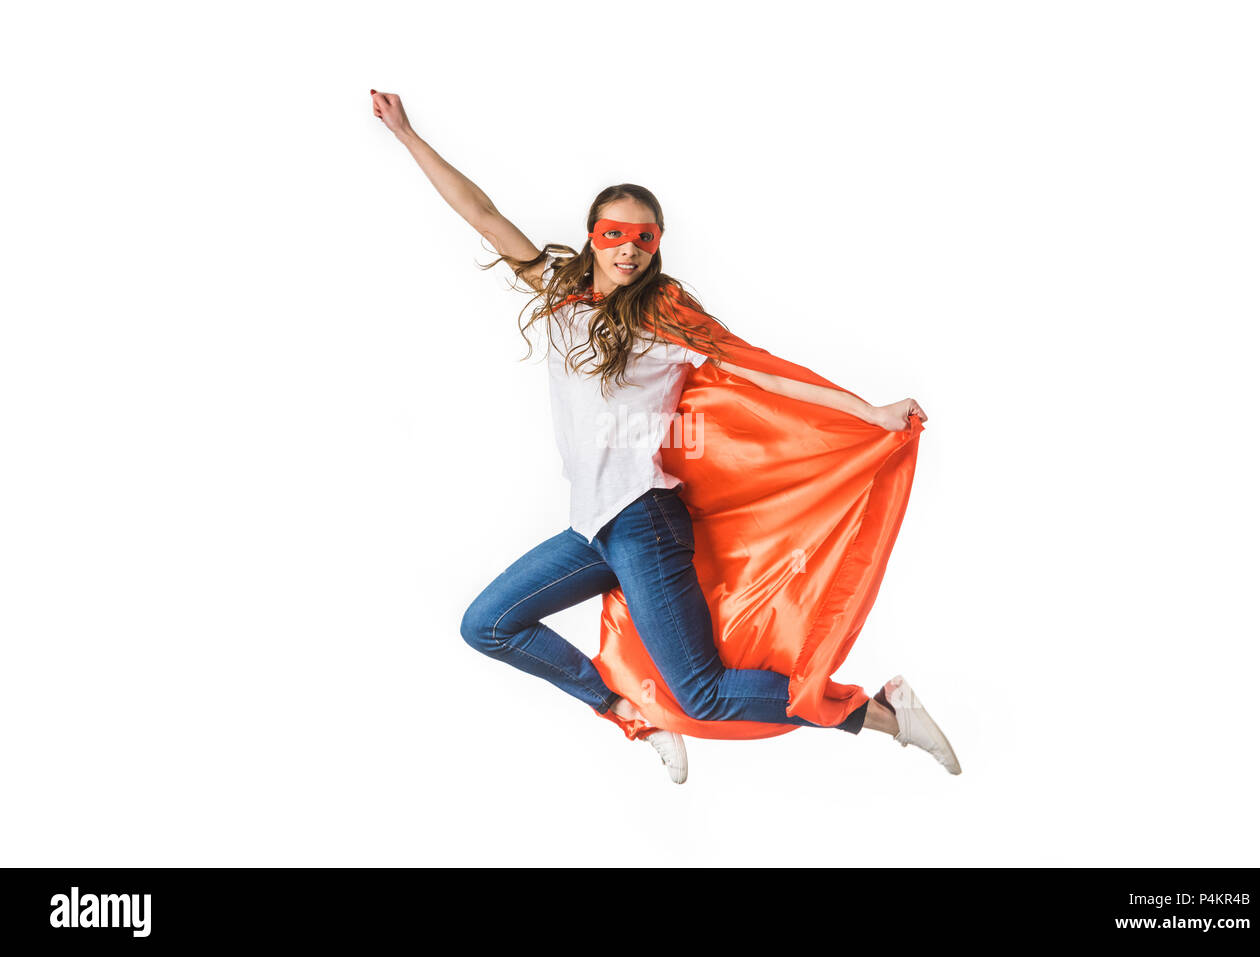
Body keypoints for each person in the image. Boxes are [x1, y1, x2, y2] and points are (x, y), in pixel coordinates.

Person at [371, 89, 961, 783]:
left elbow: (763, 372)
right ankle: (626, 711)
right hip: (593, 528)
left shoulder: (664, 319)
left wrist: (870, 412)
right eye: (615, 234)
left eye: (644, 238)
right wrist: (407, 136)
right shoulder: (560, 297)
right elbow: (482, 213)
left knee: (704, 693)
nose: (629, 249)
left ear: (657, 247)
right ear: (593, 235)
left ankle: (886, 714)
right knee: (488, 624)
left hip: (644, 521)